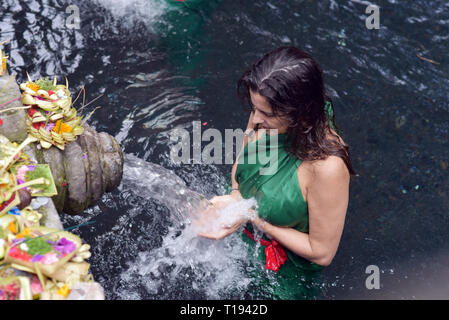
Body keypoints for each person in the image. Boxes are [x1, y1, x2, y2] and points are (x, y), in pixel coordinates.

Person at [197, 46, 356, 299]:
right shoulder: (265, 112)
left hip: (287, 274)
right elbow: (244, 162)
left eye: (265, 114)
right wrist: (236, 197)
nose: (255, 119)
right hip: (247, 233)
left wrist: (252, 218)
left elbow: (322, 252)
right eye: (253, 107)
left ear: (299, 114)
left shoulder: (327, 168)